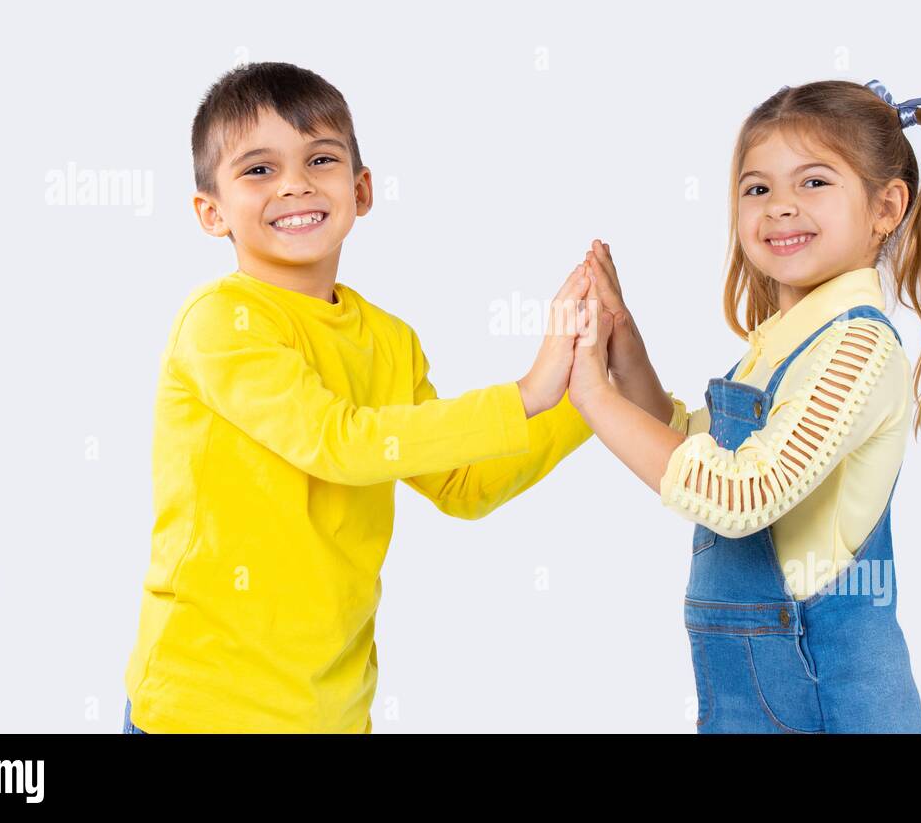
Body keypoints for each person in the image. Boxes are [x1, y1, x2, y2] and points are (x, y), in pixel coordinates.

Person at [123, 61, 594, 733]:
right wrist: (524, 391)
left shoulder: (389, 339)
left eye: (320, 159)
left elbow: (463, 481)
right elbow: (336, 443)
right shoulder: (221, 323)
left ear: (361, 189)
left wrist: (594, 401)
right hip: (204, 710)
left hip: (333, 713)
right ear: (211, 211)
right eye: (258, 169)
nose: (294, 184)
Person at [565, 78, 921, 733]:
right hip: (748, 699)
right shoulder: (778, 349)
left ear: (886, 207)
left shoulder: (857, 349)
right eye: (758, 188)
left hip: (826, 700)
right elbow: (690, 446)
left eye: (814, 182)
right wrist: (625, 354)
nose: (780, 207)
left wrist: (590, 395)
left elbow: (738, 496)